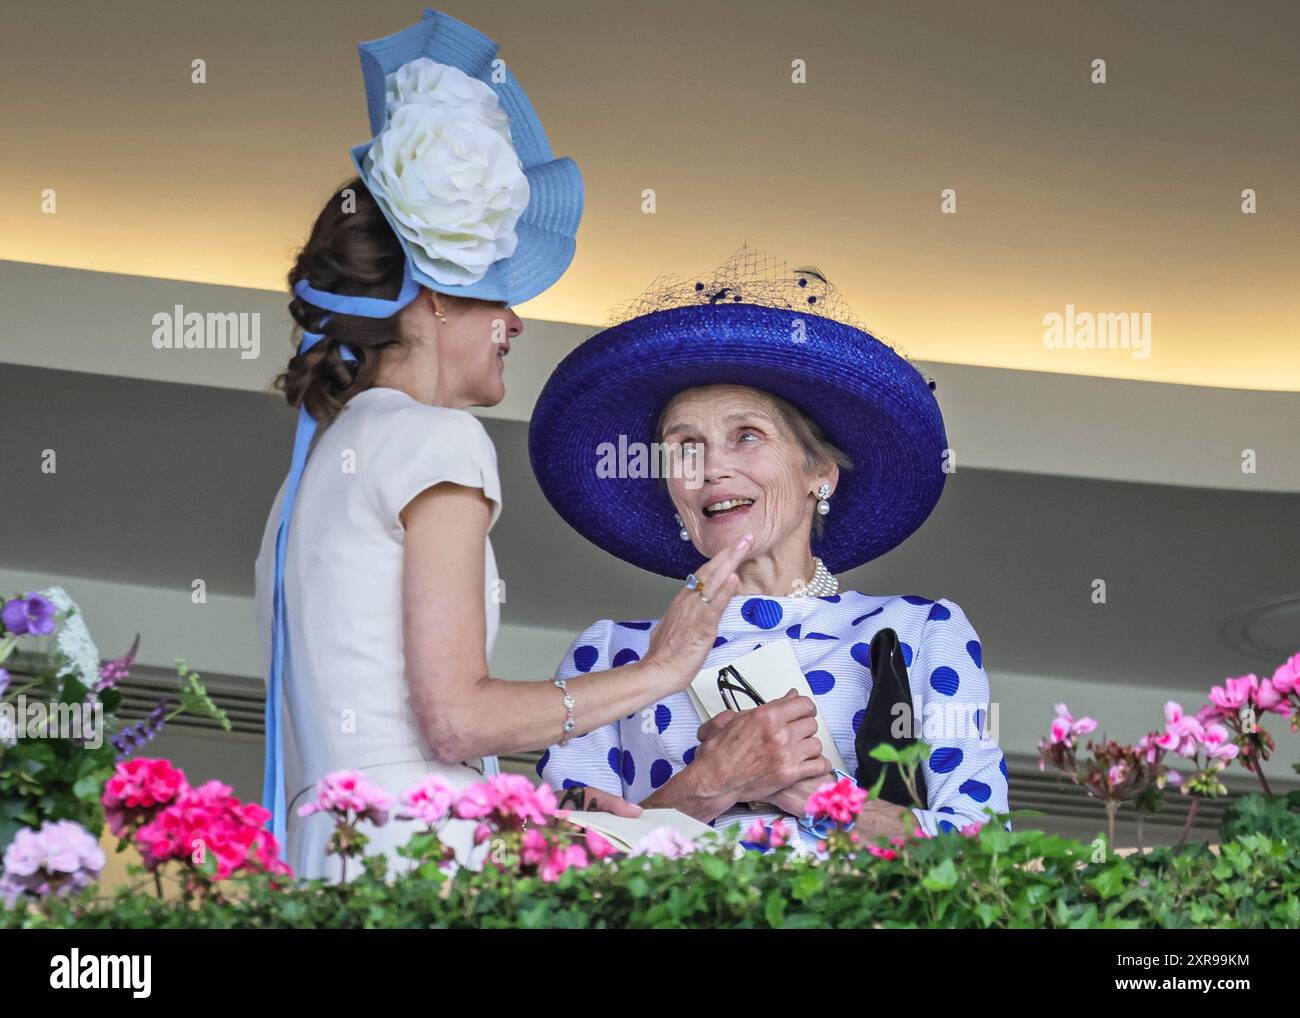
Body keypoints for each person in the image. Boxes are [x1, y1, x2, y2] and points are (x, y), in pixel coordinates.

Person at [253, 10, 739, 881]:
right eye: (495, 292)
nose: (514, 320)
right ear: (435, 297)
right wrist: (664, 669)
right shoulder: (439, 441)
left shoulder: (311, 476)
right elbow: (457, 722)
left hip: (329, 861)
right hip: (418, 865)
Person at [529, 247, 1010, 852]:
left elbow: (980, 854)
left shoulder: (920, 632)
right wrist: (712, 782)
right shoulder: (608, 654)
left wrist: (807, 791)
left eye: (746, 436)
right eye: (684, 448)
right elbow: (555, 864)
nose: (712, 468)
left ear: (821, 475)